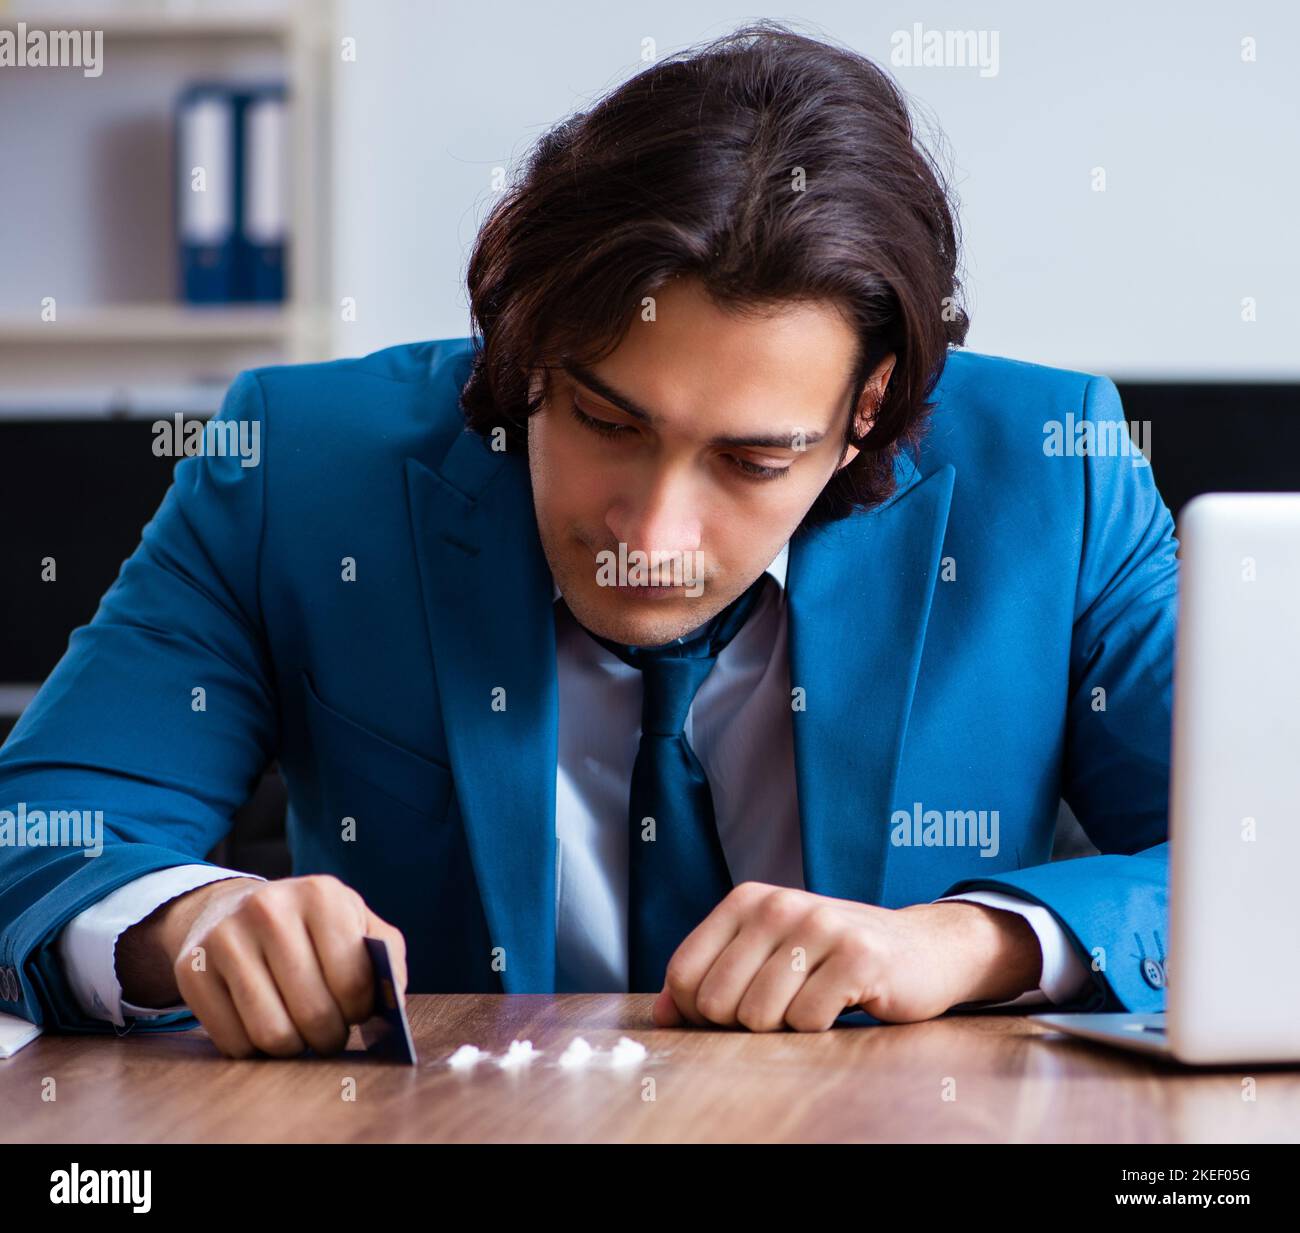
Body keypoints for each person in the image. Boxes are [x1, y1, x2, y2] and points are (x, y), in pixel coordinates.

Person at [0, 23, 1175, 1058]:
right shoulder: (300, 467)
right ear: (525, 348)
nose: (651, 533)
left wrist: (974, 944)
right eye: (609, 421)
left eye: (753, 462)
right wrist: (188, 923)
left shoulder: (1052, 472)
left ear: (865, 413)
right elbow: (40, 827)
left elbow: (1256, 850)